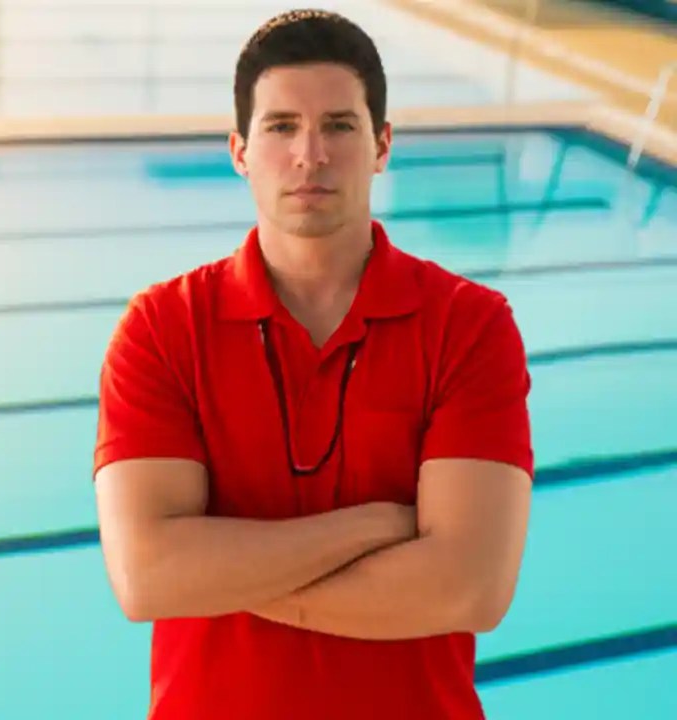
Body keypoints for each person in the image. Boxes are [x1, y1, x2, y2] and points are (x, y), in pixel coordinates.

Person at [92, 9, 534, 720]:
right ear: (239, 150)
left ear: (381, 144)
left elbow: (468, 590)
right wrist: (372, 527)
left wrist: (217, 573)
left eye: (338, 125)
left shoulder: (469, 325)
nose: (309, 154)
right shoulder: (161, 330)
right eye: (280, 127)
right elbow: (147, 578)